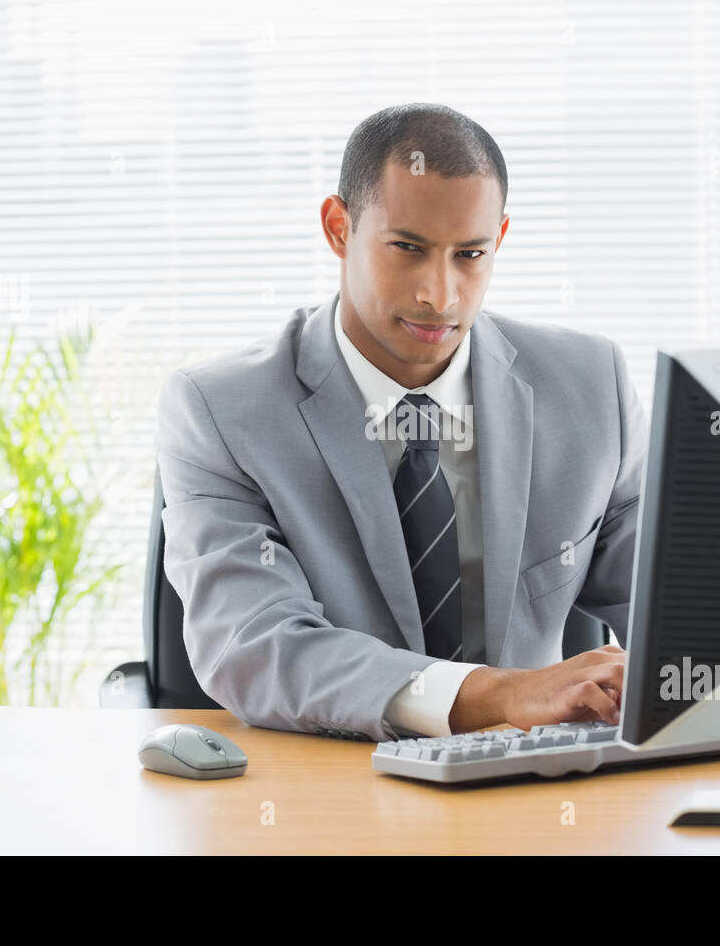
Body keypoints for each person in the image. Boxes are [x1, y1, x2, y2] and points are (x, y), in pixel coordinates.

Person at [157, 102, 646, 742]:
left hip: (538, 792)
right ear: (339, 228)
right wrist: (499, 693)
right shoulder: (222, 410)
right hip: (334, 790)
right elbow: (257, 644)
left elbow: (680, 612)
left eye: (469, 255)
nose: (439, 295)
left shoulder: (589, 385)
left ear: (498, 240)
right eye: (408, 249)